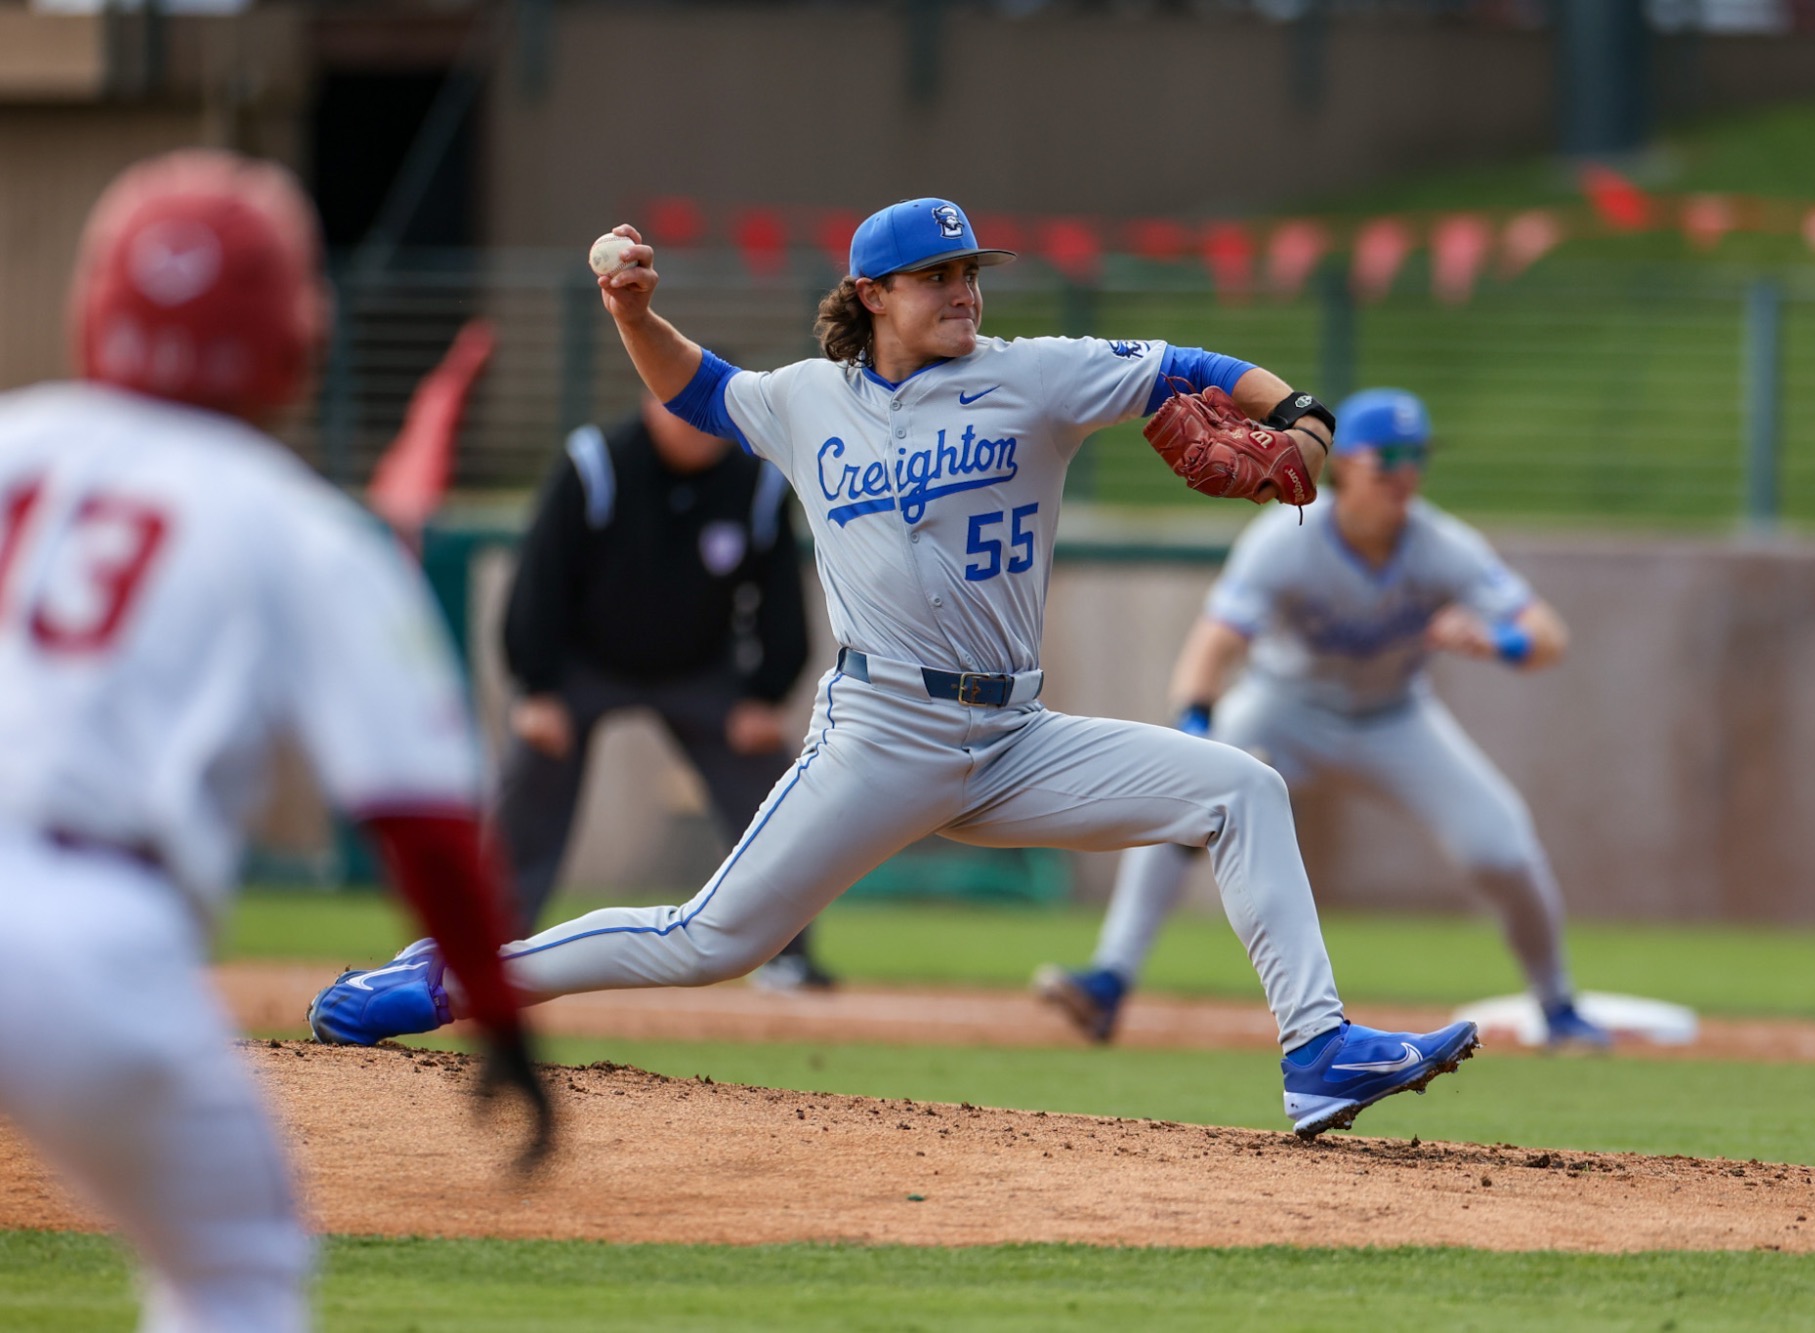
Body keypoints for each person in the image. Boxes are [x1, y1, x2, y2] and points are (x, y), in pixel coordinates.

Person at [309, 198, 1479, 1138]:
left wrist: (1308, 421)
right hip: (883, 731)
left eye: (971, 272)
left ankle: (1316, 1052)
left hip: (1014, 738)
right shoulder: (807, 399)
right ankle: (451, 977)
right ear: (872, 295)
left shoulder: (1037, 374)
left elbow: (1192, 361)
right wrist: (629, 304)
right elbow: (696, 388)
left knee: (1240, 790)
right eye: (938, 277)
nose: (965, 292)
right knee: (712, 942)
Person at [0, 149, 549, 1333]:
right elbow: (423, 819)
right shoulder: (297, 526)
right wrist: (497, 1017)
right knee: (233, 1274)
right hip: (93, 938)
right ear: (294, 332)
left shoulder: (14, 438)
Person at [1034, 388, 1611, 1049]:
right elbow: (1213, 644)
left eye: (1416, 456)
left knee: (1501, 846)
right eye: (1387, 457)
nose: (1405, 472)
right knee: (1180, 802)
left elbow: (1549, 634)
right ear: (1344, 466)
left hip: (1395, 717)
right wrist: (1196, 728)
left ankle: (1559, 1008)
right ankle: (1109, 980)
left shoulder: (1440, 544)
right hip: (1285, 706)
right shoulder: (1288, 536)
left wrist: (1499, 642)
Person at [496, 395, 833, 987]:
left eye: (711, 414)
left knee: (775, 785)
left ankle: (786, 955)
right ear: (652, 403)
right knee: (532, 775)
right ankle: (487, 946)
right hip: (585, 662)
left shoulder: (754, 483)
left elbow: (781, 598)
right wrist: (537, 686)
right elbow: (541, 576)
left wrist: (765, 694)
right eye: (683, 407)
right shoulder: (595, 464)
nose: (699, 426)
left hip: (699, 668)